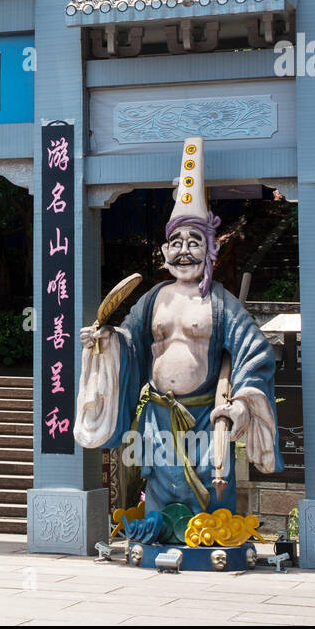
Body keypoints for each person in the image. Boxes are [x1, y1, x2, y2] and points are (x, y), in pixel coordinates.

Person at [75, 138, 282, 543]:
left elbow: (254, 353)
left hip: (206, 415)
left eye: (194, 242)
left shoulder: (221, 304)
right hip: (157, 414)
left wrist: (239, 405)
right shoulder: (153, 299)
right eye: (176, 243)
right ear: (165, 250)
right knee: (158, 479)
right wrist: (104, 341)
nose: (183, 252)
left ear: (211, 249)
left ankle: (213, 537)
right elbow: (129, 345)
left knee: (210, 480)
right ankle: (157, 534)